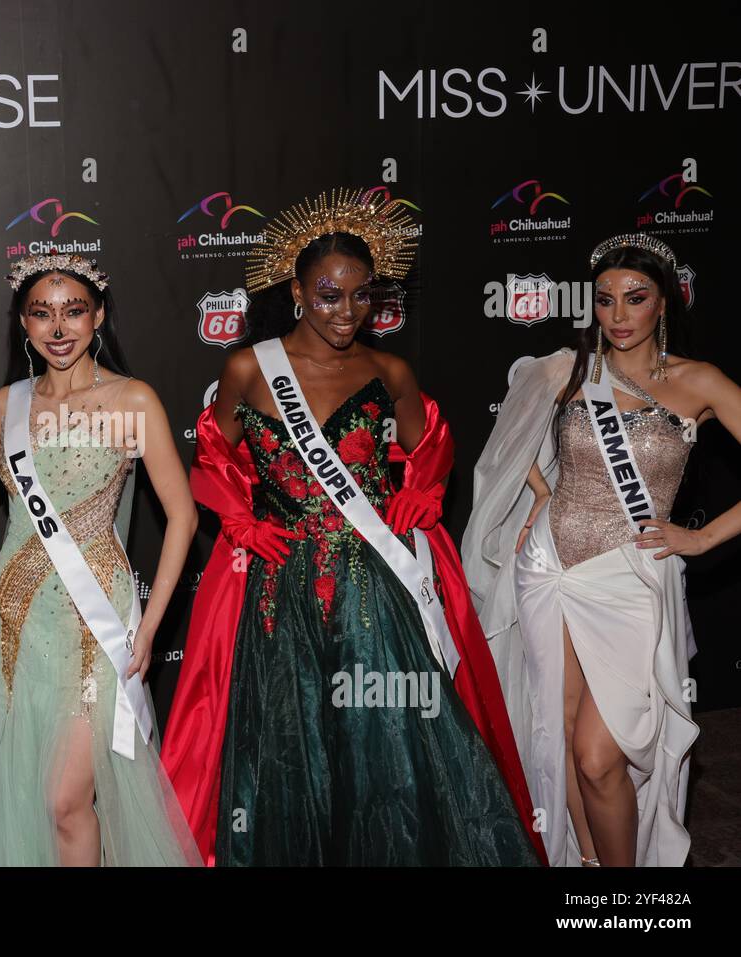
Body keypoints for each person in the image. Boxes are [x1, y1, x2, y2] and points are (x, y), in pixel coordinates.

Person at [164, 190, 539, 865]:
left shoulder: (387, 369)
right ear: (298, 291)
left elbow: (431, 448)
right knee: (291, 741)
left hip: (373, 584)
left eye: (363, 296)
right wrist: (243, 521)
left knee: (387, 739)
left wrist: (419, 498)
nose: (347, 312)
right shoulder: (248, 368)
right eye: (330, 295)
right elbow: (213, 455)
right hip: (281, 590)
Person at [464, 233, 740, 866]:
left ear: (664, 303)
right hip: (550, 568)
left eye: (635, 299)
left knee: (598, 753)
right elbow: (510, 446)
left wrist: (700, 537)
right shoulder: (567, 370)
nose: (618, 316)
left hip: (631, 579)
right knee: (559, 735)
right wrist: (539, 492)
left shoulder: (698, 381)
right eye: (605, 300)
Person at [0, 254, 202, 866]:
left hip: (97, 624)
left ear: (99, 316)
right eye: (42, 313)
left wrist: (150, 624)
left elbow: (184, 515)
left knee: (66, 800)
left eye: (73, 311)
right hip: (20, 623)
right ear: (23, 323)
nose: (58, 329)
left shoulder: (132, 398)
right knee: (34, 796)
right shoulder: (6, 405)